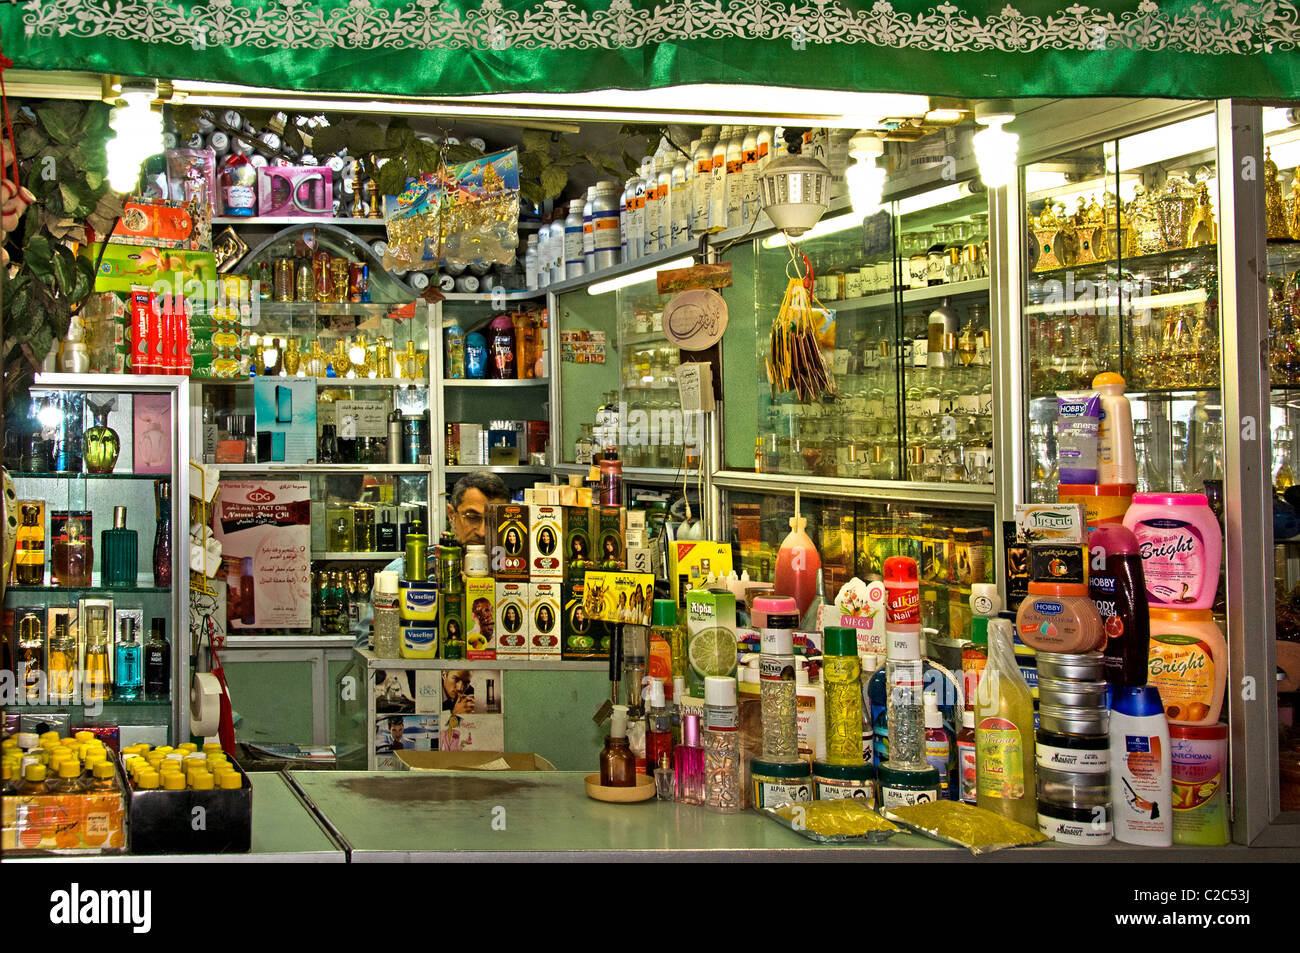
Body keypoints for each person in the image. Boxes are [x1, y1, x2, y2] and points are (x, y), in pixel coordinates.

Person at [446, 471, 511, 546]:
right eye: (472, 517)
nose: (482, 533)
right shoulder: (432, 557)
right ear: (451, 515)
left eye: (494, 520)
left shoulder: (520, 557)